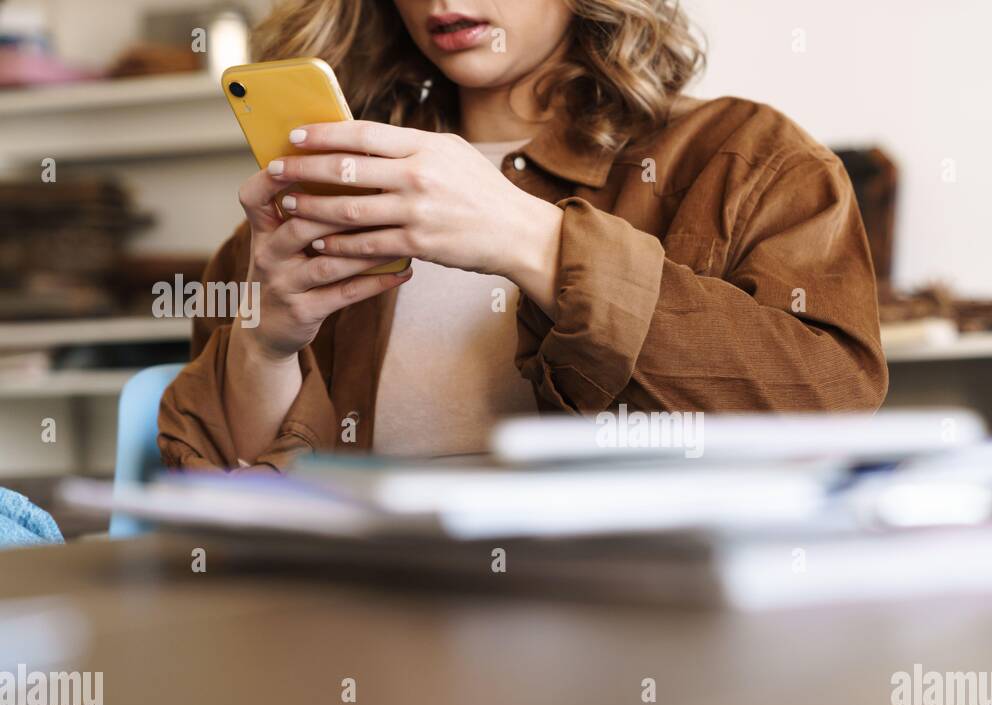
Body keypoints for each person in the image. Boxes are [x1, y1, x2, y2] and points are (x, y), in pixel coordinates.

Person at [159, 0, 888, 471]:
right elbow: (225, 504)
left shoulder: (744, 159)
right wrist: (264, 343)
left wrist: (539, 243)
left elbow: (829, 410)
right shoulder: (316, 201)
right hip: (365, 649)